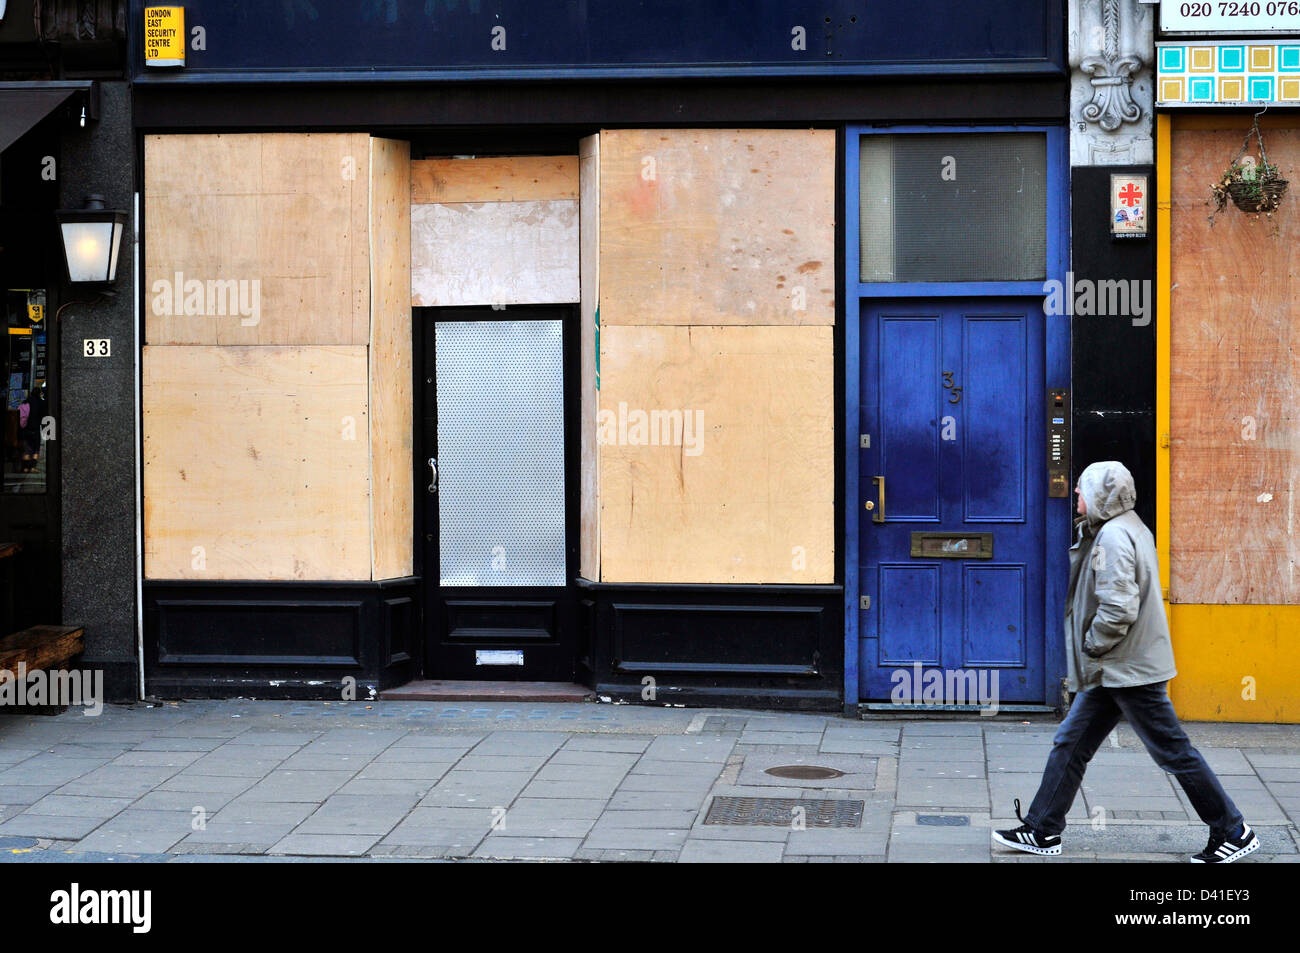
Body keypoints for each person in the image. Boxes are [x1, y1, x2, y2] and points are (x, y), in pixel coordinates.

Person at [992, 460, 1259, 864]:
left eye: (1083, 487)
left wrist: (1092, 645)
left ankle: (1232, 830)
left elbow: (1118, 608)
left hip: (1128, 668)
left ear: (1101, 494)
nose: (1076, 493)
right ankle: (1042, 829)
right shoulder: (1126, 527)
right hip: (1115, 667)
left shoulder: (1113, 537)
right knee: (1071, 743)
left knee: (1174, 752)